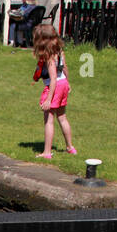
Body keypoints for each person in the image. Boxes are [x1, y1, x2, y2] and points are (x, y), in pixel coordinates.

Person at [33, 23, 76, 161]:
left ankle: (46, 152)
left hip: (55, 87)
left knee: (49, 121)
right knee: (62, 117)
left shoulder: (49, 57)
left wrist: (48, 99)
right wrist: (68, 83)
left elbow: (53, 79)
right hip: (63, 84)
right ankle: (70, 147)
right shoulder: (60, 52)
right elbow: (65, 68)